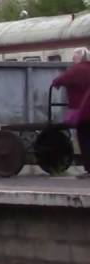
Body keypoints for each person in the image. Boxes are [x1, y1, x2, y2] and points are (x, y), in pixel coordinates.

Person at [53, 47, 90, 178]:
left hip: (85, 113)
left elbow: (60, 80)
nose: (73, 60)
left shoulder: (77, 69)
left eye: (74, 57)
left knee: (85, 140)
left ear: (80, 58)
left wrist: (55, 83)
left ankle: (89, 170)